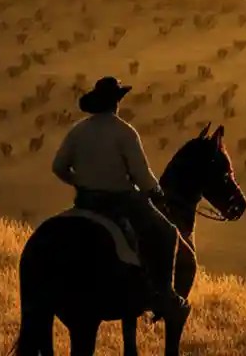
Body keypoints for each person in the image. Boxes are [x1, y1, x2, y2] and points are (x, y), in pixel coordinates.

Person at [51, 76, 191, 321]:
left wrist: (79, 182)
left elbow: (58, 166)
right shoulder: (125, 132)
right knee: (167, 232)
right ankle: (164, 295)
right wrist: (156, 191)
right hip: (120, 201)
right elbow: (140, 173)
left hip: (84, 201)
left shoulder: (78, 130)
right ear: (116, 103)